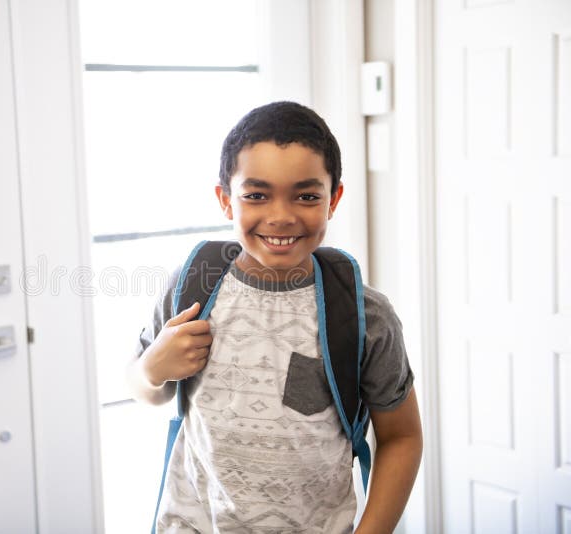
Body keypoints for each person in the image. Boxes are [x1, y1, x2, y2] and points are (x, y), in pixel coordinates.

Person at [127, 101, 423, 533]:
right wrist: (152, 368)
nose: (281, 216)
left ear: (333, 199)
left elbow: (402, 437)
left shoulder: (362, 314)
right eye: (256, 195)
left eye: (306, 196)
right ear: (226, 200)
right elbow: (143, 388)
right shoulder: (192, 285)